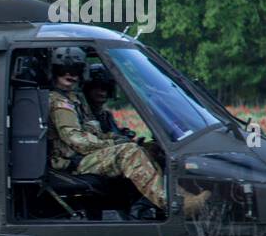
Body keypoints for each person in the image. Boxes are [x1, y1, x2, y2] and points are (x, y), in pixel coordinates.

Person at [47, 47, 210, 218]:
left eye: (76, 70)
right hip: (71, 162)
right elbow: (76, 140)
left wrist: (119, 139)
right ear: (54, 71)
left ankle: (181, 196)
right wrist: (115, 144)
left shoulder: (75, 100)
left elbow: (95, 132)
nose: (70, 75)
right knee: (130, 153)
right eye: (63, 71)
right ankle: (174, 205)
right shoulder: (58, 102)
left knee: (149, 148)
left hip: (82, 157)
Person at [82, 63, 135, 142]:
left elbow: (113, 133)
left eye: (106, 88)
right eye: (96, 87)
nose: (102, 92)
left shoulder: (106, 115)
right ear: (88, 89)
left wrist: (124, 135)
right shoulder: (82, 113)